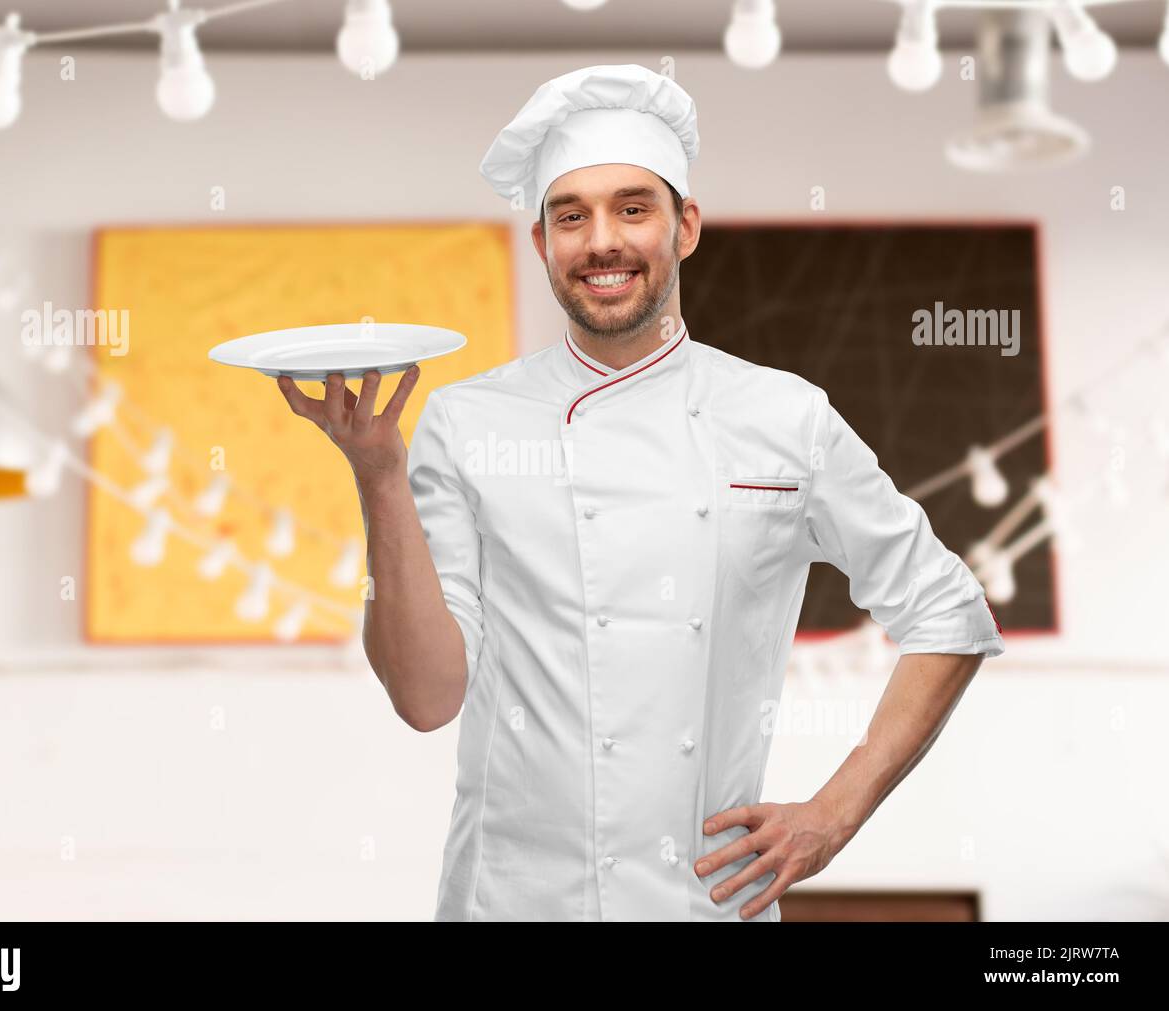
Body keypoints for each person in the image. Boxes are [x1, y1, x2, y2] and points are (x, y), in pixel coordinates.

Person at [275, 64, 1005, 922]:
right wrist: (379, 476)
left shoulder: (783, 416)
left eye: (632, 207)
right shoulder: (467, 422)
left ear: (685, 225)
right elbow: (427, 697)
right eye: (570, 215)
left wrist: (834, 814)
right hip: (508, 901)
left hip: (702, 903)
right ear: (543, 243)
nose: (602, 241)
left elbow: (947, 610)